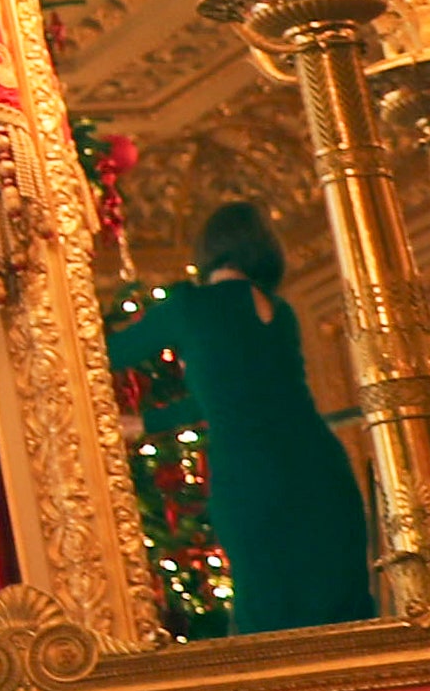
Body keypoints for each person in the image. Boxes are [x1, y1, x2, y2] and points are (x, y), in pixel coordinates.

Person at [110, 199, 376, 635]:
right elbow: (235, 393)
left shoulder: (190, 307)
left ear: (208, 249)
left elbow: (110, 353)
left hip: (253, 476)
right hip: (320, 469)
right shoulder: (279, 311)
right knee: (339, 609)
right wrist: (148, 424)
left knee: (271, 613)